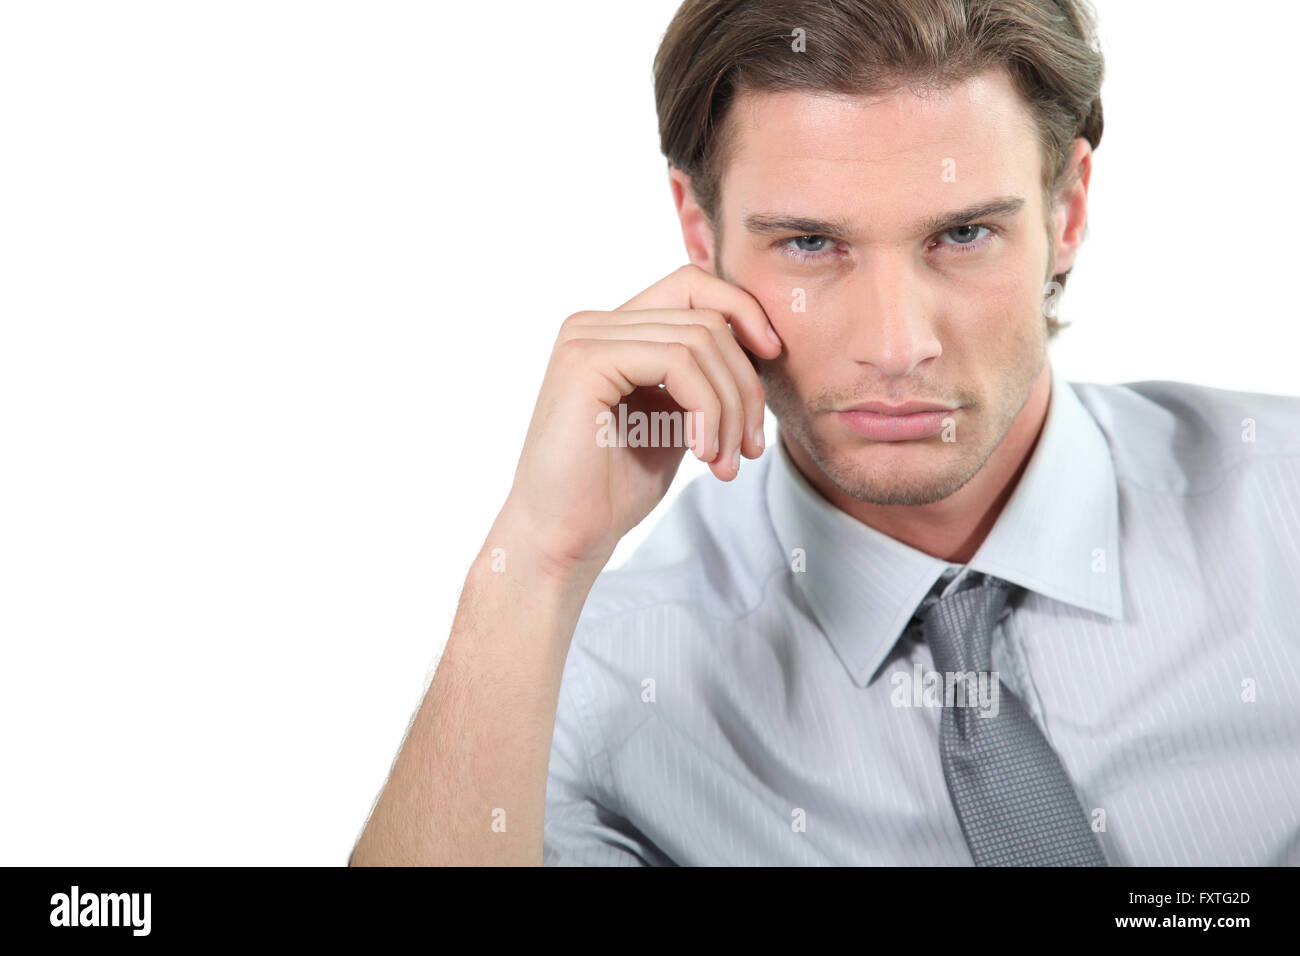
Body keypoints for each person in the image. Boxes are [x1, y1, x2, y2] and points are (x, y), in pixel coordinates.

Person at [349, 0, 1300, 866]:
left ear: (1068, 211)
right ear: (700, 231)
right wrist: (539, 556)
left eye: (964, 235)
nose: (897, 347)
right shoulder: (594, 690)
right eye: (810, 244)